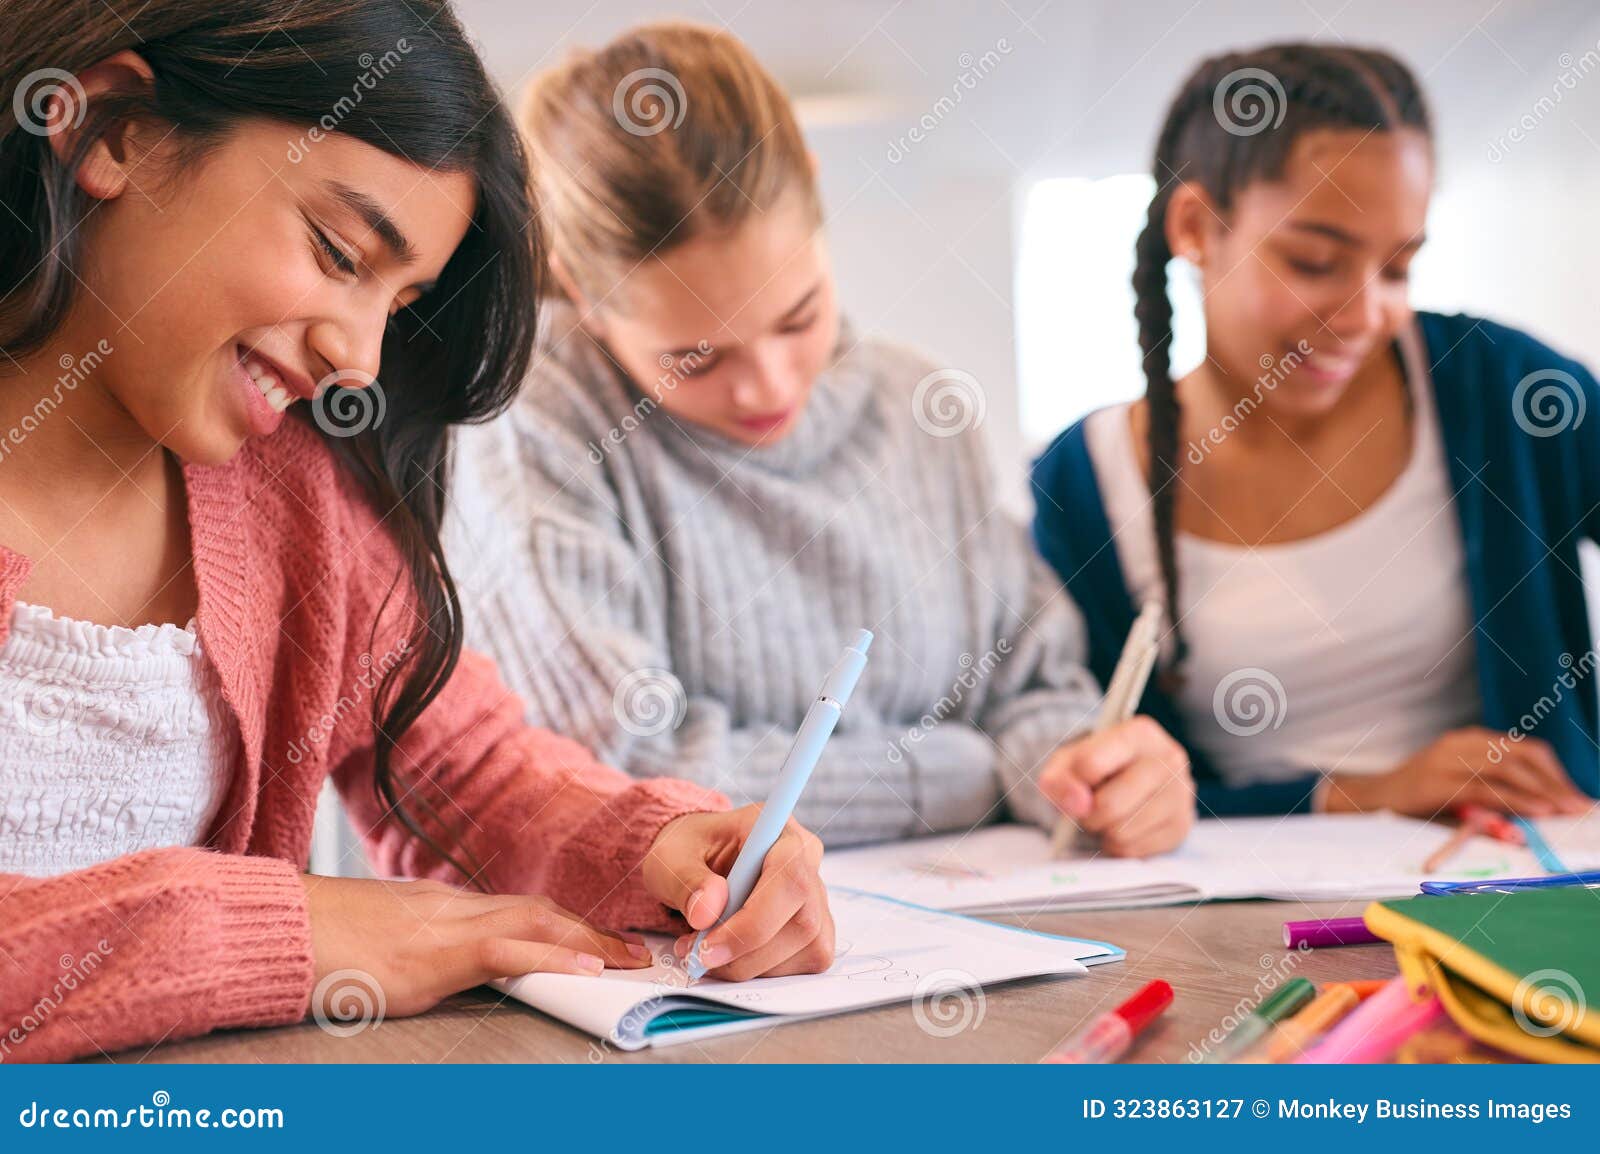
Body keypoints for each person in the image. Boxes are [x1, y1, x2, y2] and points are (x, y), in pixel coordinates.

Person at [0, 0, 831, 1064]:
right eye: (338, 252)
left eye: (398, 306)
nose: (358, 359)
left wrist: (663, 847)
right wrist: (276, 929)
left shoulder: (292, 501)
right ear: (116, 130)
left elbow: (471, 773)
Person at [447, 22, 1197, 856]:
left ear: (814, 189)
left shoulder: (917, 406)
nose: (770, 388)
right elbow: (624, 769)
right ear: (584, 296)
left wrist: (1090, 773)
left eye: (798, 317)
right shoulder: (537, 422)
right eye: (697, 359)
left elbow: (1028, 693)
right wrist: (966, 777)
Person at [1031, 44, 1596, 818]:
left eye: (1397, 269)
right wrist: (1361, 795)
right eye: (1315, 262)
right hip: (1243, 888)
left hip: (1522, 865)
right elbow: (1102, 784)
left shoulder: (1501, 385)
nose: (1364, 316)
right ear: (1195, 226)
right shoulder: (1083, 483)